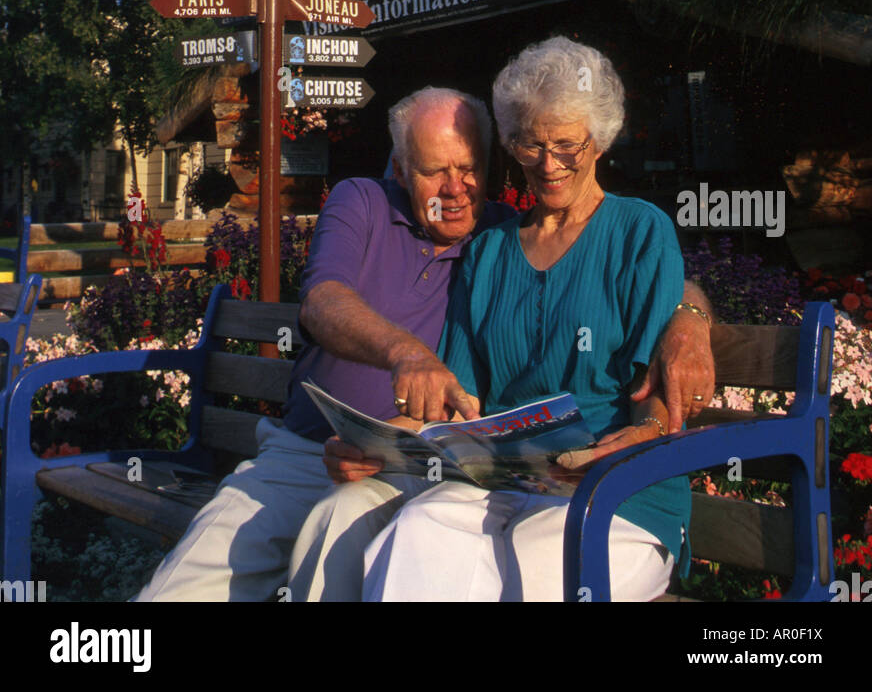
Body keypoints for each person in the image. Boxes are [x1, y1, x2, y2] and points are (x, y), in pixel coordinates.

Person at [137, 81, 712, 602]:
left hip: (439, 468)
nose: (455, 189)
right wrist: (405, 356)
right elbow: (322, 302)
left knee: (368, 528)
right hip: (325, 450)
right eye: (435, 171)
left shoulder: (497, 232)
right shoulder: (370, 205)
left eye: (469, 169)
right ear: (401, 169)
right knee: (189, 589)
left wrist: (690, 315)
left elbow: (644, 269)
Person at [288, 38, 704, 602]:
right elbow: (463, 406)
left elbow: (656, 385)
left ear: (599, 140)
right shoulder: (490, 252)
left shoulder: (640, 232)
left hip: (614, 484)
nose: (547, 163)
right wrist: (376, 446)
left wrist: (649, 432)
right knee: (417, 532)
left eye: (565, 144)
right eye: (529, 143)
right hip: (505, 480)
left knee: (533, 564)